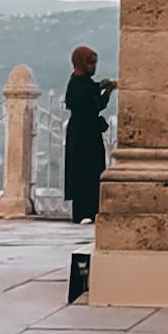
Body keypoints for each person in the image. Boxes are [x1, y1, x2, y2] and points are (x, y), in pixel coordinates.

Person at [61, 47, 110, 226]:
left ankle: (91, 209)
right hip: (83, 133)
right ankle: (83, 212)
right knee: (84, 171)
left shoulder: (85, 83)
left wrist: (105, 88)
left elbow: (96, 99)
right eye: (90, 63)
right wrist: (105, 90)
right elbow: (91, 105)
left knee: (92, 170)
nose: (93, 67)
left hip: (87, 132)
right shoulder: (78, 84)